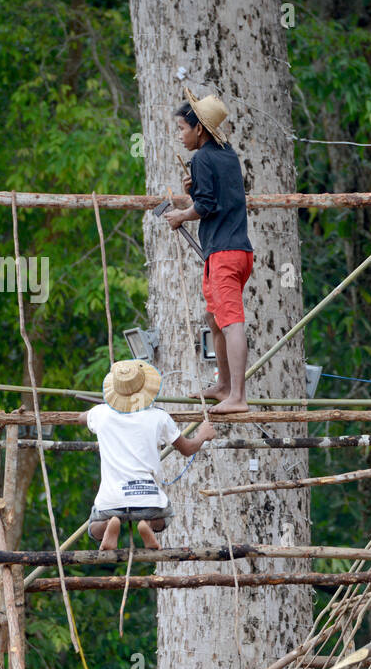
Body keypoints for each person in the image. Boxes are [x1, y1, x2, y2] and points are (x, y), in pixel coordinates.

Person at [164, 88, 254, 414]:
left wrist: (181, 214)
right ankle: (225, 385)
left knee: (230, 322)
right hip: (239, 251)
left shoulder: (201, 157)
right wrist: (194, 193)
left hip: (224, 254)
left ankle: (238, 396)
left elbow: (204, 207)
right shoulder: (227, 154)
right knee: (214, 319)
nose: (180, 135)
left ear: (199, 129)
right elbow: (214, 200)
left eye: (182, 128)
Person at [79, 359, 216, 551]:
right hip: (148, 498)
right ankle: (148, 525)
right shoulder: (159, 416)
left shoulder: (100, 414)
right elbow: (187, 449)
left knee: (93, 529)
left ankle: (109, 524)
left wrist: (106, 407)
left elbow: (81, 418)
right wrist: (202, 435)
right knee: (163, 519)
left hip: (111, 500)